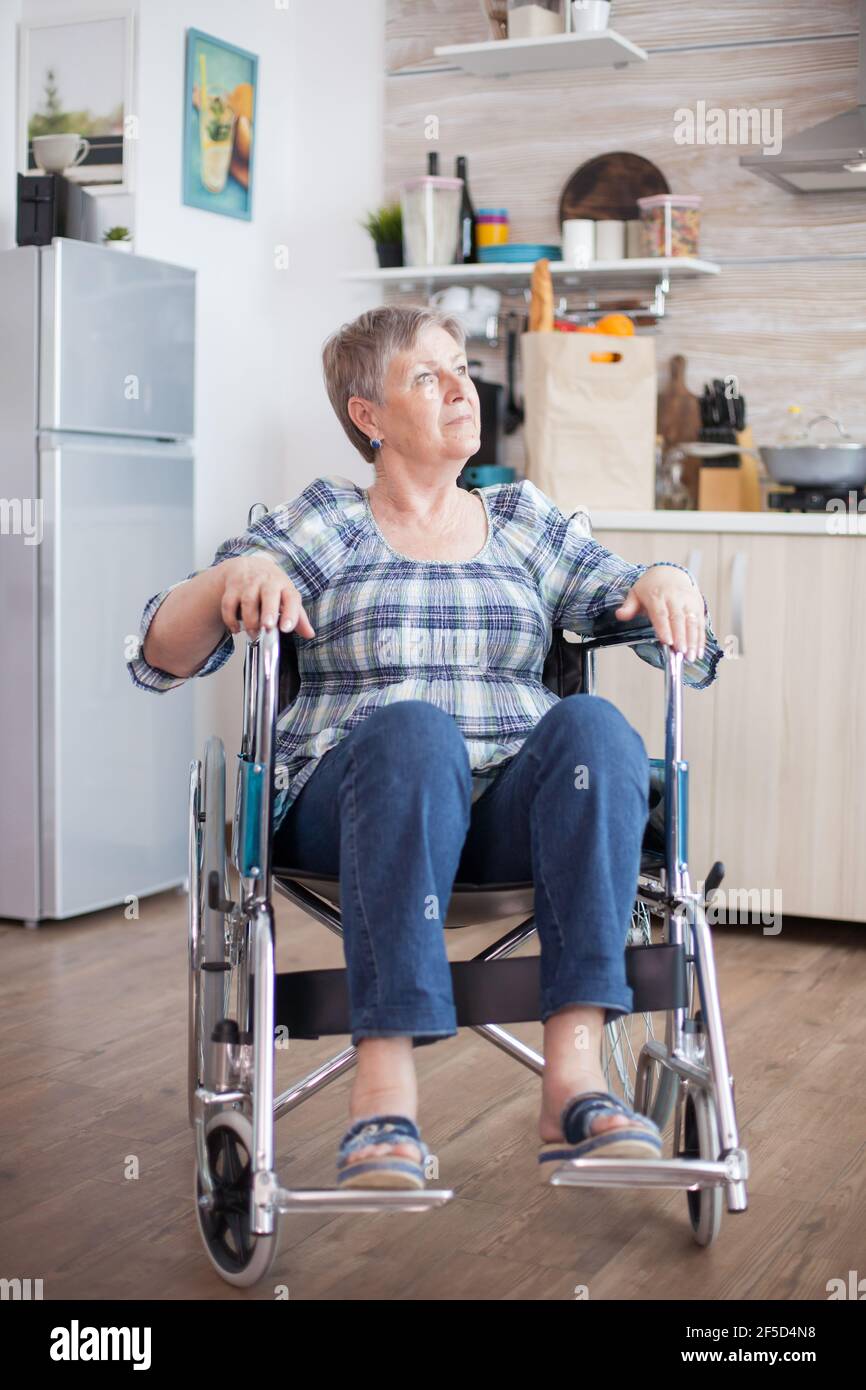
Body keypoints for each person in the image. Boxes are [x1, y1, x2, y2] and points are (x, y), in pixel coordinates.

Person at [128, 305, 722, 1190]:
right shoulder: (328, 522)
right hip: (361, 808)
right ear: (368, 416)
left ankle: (577, 1085)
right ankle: (384, 1100)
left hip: (511, 820)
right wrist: (229, 580)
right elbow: (159, 653)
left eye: (462, 368)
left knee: (597, 730)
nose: (460, 387)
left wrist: (663, 578)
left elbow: (633, 598)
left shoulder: (524, 521)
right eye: (427, 375)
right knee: (414, 731)